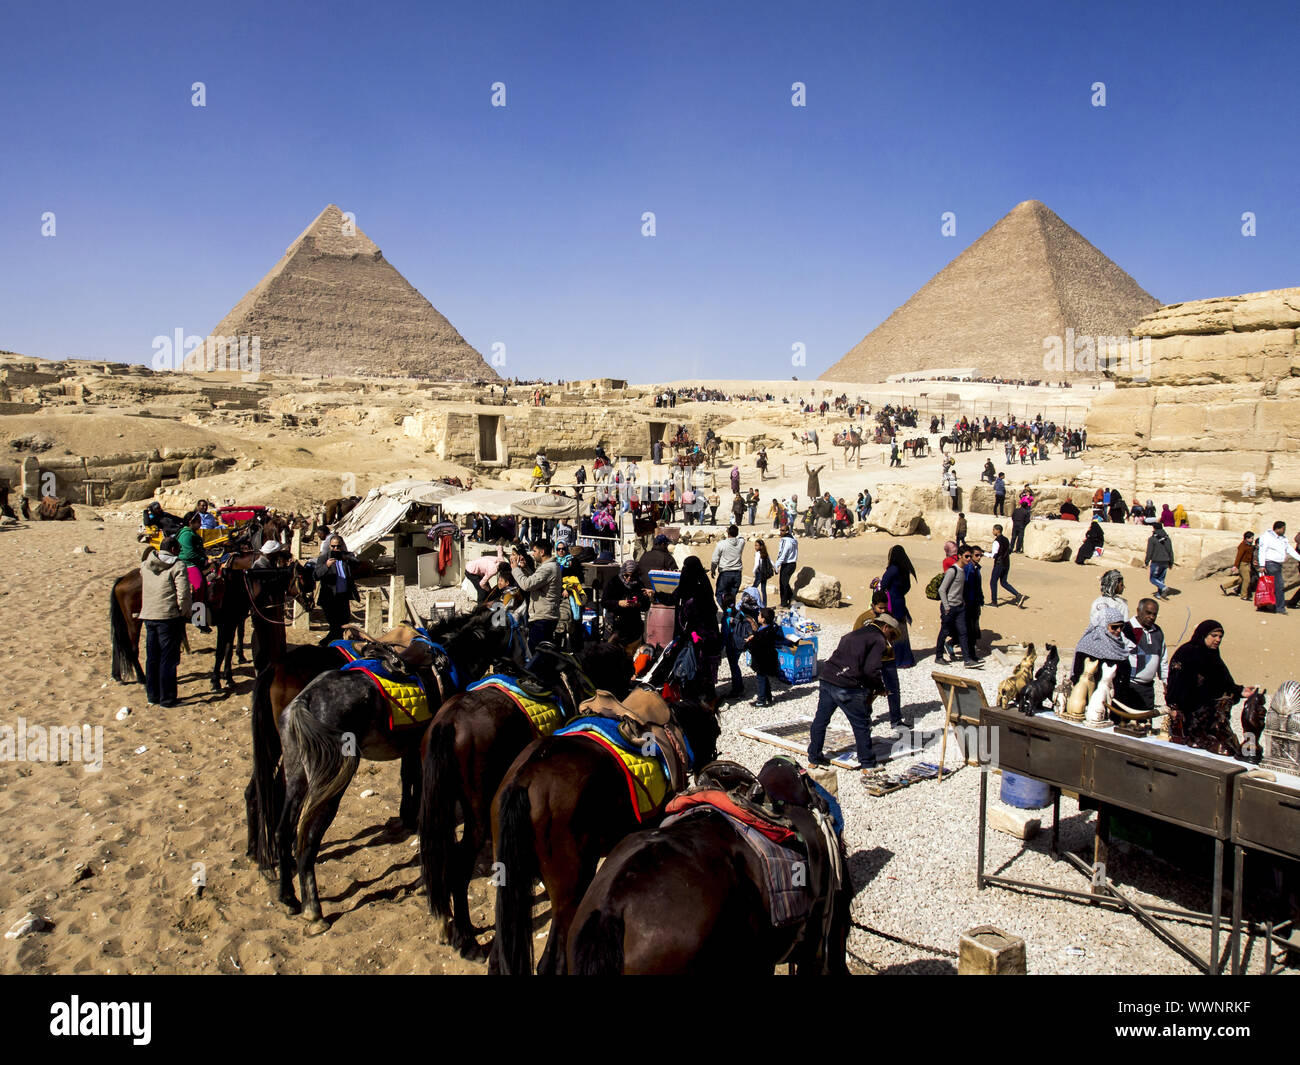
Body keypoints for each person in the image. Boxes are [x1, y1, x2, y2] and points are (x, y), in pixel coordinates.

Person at [808, 610, 899, 770]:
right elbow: (871, 670)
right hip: (847, 685)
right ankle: (868, 764)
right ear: (885, 627)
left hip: (828, 677)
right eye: (891, 635)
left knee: (821, 720)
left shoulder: (855, 634)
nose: (890, 640)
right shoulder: (878, 639)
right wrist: (879, 688)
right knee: (861, 724)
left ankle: (814, 758)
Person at [1165, 620, 1254, 743]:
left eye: (1220, 637)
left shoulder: (1213, 656)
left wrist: (1241, 691)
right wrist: (1173, 706)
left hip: (1208, 715)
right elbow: (1175, 682)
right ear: (1203, 635)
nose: (1218, 640)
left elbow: (1224, 681)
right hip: (1187, 714)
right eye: (1214, 636)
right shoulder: (1186, 652)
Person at [138, 535, 192, 707]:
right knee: (168, 659)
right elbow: (183, 595)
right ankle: (167, 698)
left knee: (152, 657)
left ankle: (152, 695)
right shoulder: (177, 565)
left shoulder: (145, 565)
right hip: (168, 617)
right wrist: (185, 613)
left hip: (149, 615)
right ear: (174, 550)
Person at [1069, 606, 1140, 708]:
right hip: (1089, 704)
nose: (1119, 630)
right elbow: (1078, 677)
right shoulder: (1086, 646)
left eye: (1121, 627)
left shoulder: (1121, 648)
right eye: (1114, 627)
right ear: (1103, 625)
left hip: (1114, 704)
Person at [511, 537, 562, 649]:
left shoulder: (547, 568)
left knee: (536, 654)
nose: (533, 554)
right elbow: (537, 583)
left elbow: (527, 585)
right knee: (542, 654)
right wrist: (525, 569)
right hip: (544, 616)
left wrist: (515, 569)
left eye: (534, 551)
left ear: (542, 552)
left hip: (543, 618)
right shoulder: (550, 567)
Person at [934, 546, 980, 666]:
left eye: (970, 556)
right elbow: (942, 589)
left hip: (960, 607)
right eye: (967, 556)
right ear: (959, 556)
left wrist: (962, 602)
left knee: (963, 633)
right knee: (944, 632)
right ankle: (938, 656)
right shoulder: (952, 571)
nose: (969, 559)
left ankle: (967, 660)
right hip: (949, 608)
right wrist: (947, 606)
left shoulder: (963, 570)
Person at [744, 607, 796, 708]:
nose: (758, 616)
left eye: (759, 615)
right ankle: (768, 696)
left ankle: (761, 700)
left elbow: (755, 646)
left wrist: (748, 643)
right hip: (769, 658)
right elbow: (780, 640)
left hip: (761, 661)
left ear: (763, 619)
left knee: (761, 679)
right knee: (764, 677)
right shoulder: (771, 629)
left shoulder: (762, 634)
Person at [1125, 598, 1169, 713]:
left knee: (1145, 725)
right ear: (1139, 611)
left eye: (1154, 614)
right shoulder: (1127, 629)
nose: (1151, 617)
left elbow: (1163, 659)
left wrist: (1165, 682)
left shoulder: (1158, 632)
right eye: (1148, 613)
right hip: (1129, 687)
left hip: (1148, 688)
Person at [315, 533, 360, 644]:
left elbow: (357, 564)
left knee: (343, 623)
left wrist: (346, 557)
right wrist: (326, 566)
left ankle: (331, 645)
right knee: (335, 625)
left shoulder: (346, 556)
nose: (335, 549)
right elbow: (316, 575)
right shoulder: (323, 558)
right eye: (333, 546)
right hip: (329, 598)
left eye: (338, 546)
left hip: (343, 596)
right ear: (329, 546)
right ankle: (326, 644)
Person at [877, 544, 917, 669]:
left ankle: (897, 659)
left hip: (892, 604)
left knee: (893, 631)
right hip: (901, 601)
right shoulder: (904, 569)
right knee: (902, 631)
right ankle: (906, 659)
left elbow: (883, 584)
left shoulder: (893, 569)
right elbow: (907, 587)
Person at [602, 560, 649, 655]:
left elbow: (646, 605)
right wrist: (619, 603)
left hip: (632, 626)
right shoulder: (614, 582)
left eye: (632, 576)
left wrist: (638, 604)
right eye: (626, 575)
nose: (628, 579)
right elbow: (604, 602)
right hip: (615, 625)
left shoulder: (639, 584)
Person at [176, 513, 212, 632]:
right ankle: (197, 618)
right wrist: (204, 560)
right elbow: (188, 553)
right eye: (198, 521)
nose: (200, 523)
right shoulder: (186, 535)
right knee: (199, 585)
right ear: (191, 522)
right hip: (188, 563)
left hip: (196, 561)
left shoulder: (191, 533)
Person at [1257, 520, 1300, 615]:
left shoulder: (1283, 539)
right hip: (1270, 564)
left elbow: (1290, 550)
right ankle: (1280, 608)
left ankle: (1263, 605)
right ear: (1278, 529)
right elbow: (1262, 551)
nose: (1285, 531)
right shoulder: (1266, 537)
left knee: (1270, 587)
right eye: (1283, 529)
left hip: (1278, 565)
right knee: (1279, 586)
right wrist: (1262, 565)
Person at [988, 524, 1025, 608]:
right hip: (1006, 563)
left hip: (999, 564)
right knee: (1003, 582)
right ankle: (1018, 595)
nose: (993, 531)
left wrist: (984, 553)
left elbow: (994, 555)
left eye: (993, 530)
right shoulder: (1006, 539)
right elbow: (1008, 550)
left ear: (997, 531)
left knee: (993, 582)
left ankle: (994, 602)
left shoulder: (997, 541)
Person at [710, 524, 746, 607]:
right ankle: (731, 611)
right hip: (737, 573)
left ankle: (726, 611)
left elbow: (715, 560)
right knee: (732, 597)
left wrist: (713, 570)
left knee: (719, 594)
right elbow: (741, 538)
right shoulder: (741, 543)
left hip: (725, 573)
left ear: (728, 533)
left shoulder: (721, 544)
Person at [1144, 521, 1175, 600]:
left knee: (1153, 578)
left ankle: (1163, 587)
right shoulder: (1167, 538)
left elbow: (1149, 551)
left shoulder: (1152, 539)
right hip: (1166, 561)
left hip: (1156, 561)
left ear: (1154, 528)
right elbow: (1170, 551)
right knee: (1161, 578)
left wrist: (1147, 561)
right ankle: (1159, 594)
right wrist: (1171, 562)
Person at [963, 545, 986, 649]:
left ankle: (971, 648)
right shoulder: (968, 568)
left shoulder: (976, 568)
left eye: (980, 555)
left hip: (975, 601)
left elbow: (978, 586)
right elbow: (966, 585)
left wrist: (981, 599)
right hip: (969, 602)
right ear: (971, 555)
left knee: (974, 625)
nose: (979, 557)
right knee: (969, 626)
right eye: (977, 555)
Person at [775, 525, 799, 608]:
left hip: (787, 563)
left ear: (787, 531)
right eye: (780, 530)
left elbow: (782, 554)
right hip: (793, 563)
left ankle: (784, 603)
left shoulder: (785, 541)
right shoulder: (794, 539)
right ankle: (790, 598)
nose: (780, 532)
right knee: (785, 582)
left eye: (783, 530)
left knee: (783, 584)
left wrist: (776, 565)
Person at [750, 538, 774, 607]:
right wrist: (775, 569)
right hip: (765, 573)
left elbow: (757, 564)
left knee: (753, 588)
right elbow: (771, 562)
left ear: (761, 546)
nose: (755, 547)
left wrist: (753, 572)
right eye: (755, 545)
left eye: (757, 545)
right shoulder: (765, 553)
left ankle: (749, 602)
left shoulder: (757, 553)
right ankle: (764, 604)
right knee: (763, 590)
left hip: (759, 573)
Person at [1233, 531, 1256, 600]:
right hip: (1243, 564)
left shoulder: (1250, 546)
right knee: (1247, 579)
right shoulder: (1243, 546)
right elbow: (1239, 556)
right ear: (1247, 538)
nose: (1252, 540)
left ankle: (1224, 586)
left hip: (1248, 565)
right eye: (1251, 538)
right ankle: (1244, 595)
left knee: (1241, 580)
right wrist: (1235, 566)